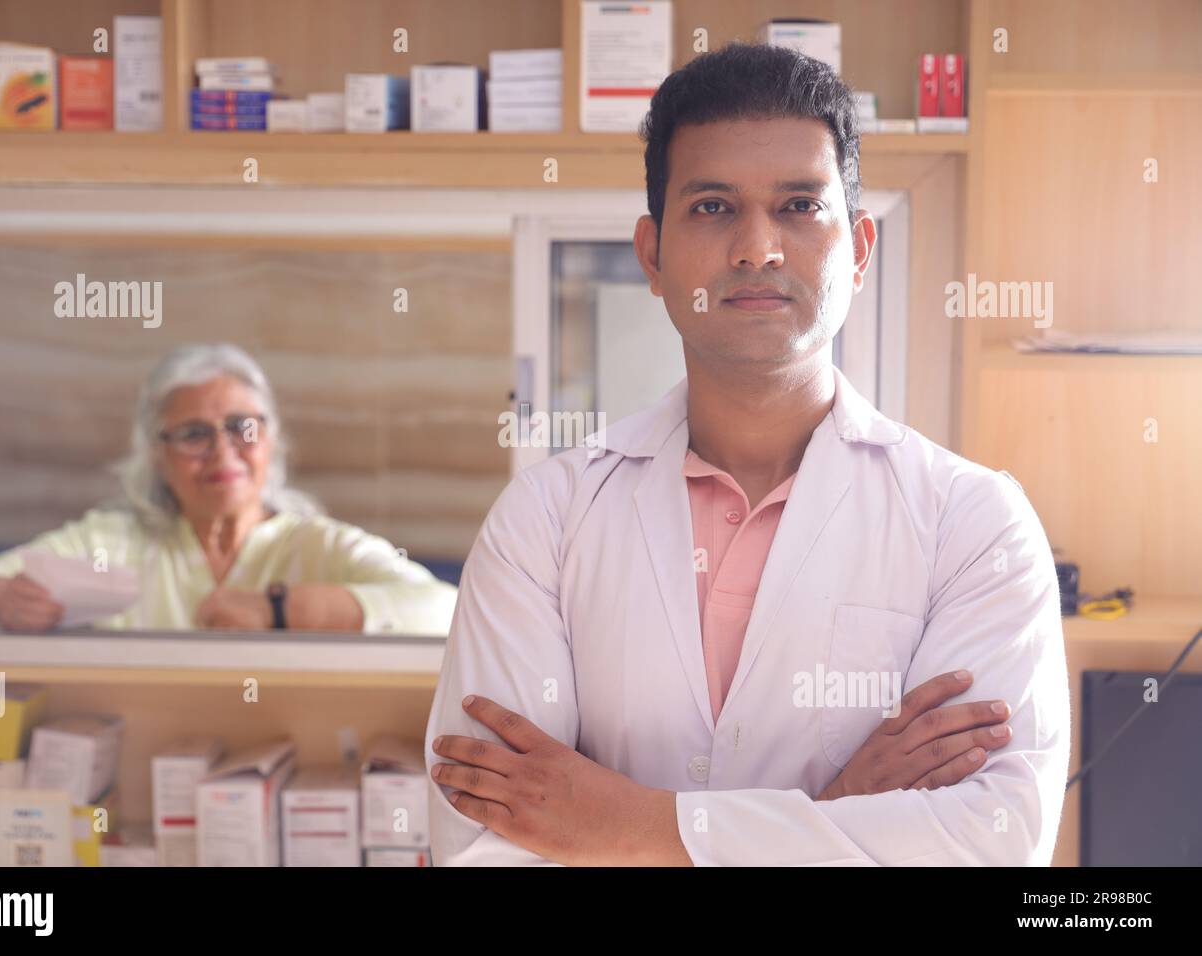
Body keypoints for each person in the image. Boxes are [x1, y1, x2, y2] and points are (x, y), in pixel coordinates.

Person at [424, 43, 1070, 865]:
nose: (758, 248)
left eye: (800, 206)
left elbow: (990, 847)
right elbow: (481, 841)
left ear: (860, 248)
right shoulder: (545, 521)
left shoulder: (973, 525)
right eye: (713, 208)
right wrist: (838, 813)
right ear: (652, 256)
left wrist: (621, 827)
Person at [0, 343, 458, 635]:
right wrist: (10, 601)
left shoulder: (315, 544)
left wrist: (278, 611)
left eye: (242, 428)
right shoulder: (113, 543)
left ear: (270, 440)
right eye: (193, 435)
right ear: (157, 453)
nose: (223, 452)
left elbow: (443, 609)